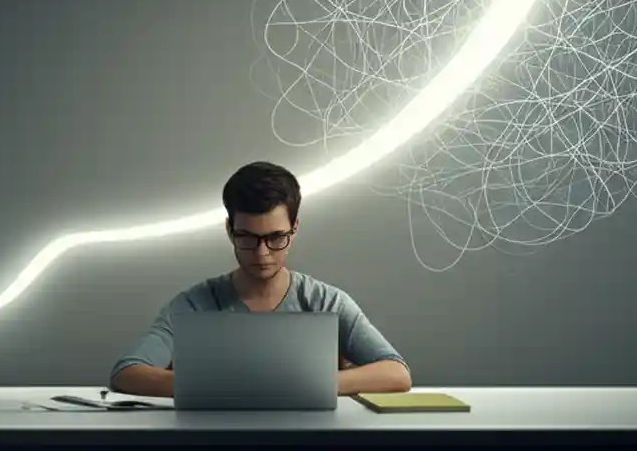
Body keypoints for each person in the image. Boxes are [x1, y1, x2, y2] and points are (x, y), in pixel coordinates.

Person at [109, 161, 412, 398]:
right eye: (247, 238)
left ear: (294, 229)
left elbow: (397, 373)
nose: (262, 252)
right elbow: (127, 372)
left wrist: (309, 384)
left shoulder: (327, 301)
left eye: (276, 237)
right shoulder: (194, 303)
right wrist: (226, 389)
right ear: (230, 230)